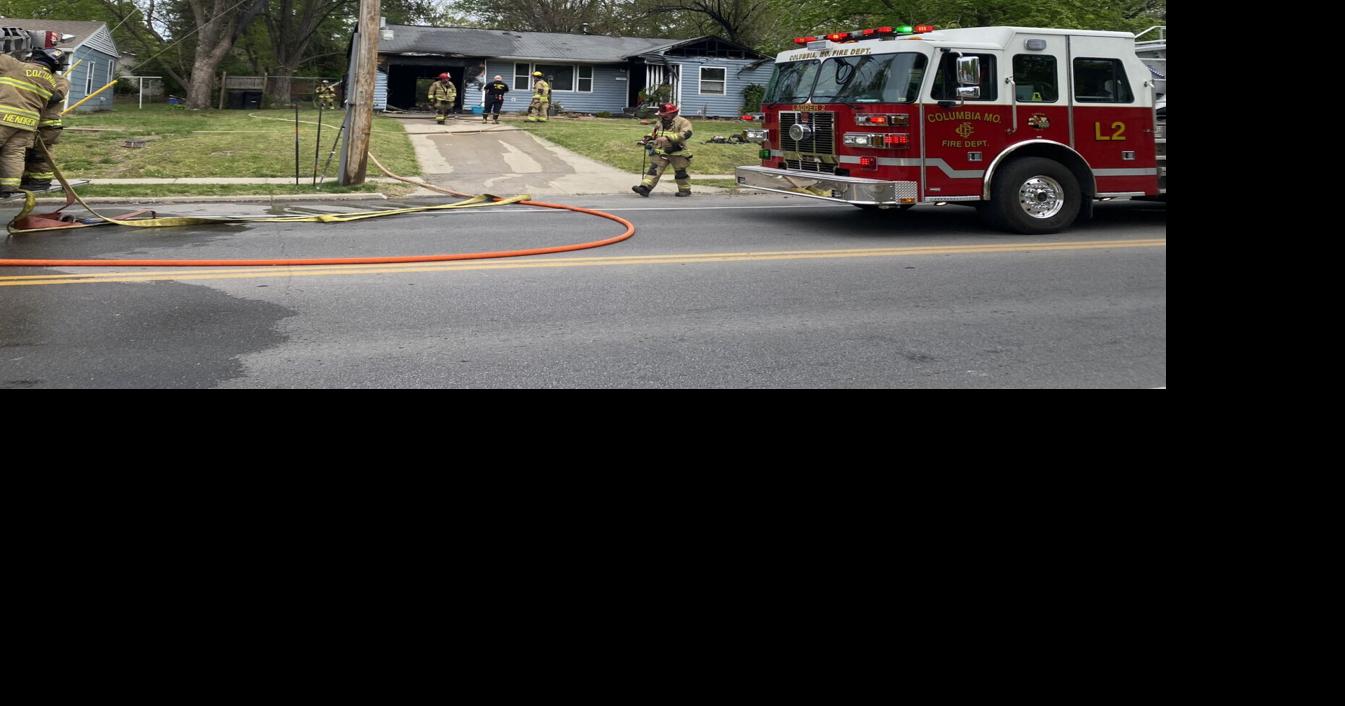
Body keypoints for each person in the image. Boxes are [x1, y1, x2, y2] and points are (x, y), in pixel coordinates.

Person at [0, 47, 64, 197]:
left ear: (34, 57)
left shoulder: (16, 66)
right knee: (13, 153)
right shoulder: (51, 81)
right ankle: (8, 187)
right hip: (28, 123)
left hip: (4, 118)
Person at [21, 48, 72, 192]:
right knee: (25, 152)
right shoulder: (31, 75)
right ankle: (26, 179)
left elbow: (55, 97)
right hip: (32, 122)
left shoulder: (61, 81)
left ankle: (41, 181)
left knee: (40, 154)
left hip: (47, 125)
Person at [632, 103, 694, 198]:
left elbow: (687, 133)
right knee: (654, 170)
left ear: (673, 113)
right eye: (661, 115)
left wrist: (668, 138)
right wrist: (648, 137)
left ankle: (685, 190)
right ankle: (644, 188)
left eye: (665, 115)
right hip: (662, 152)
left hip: (678, 152)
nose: (663, 117)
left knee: (681, 173)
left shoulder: (683, 122)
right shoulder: (660, 122)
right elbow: (656, 133)